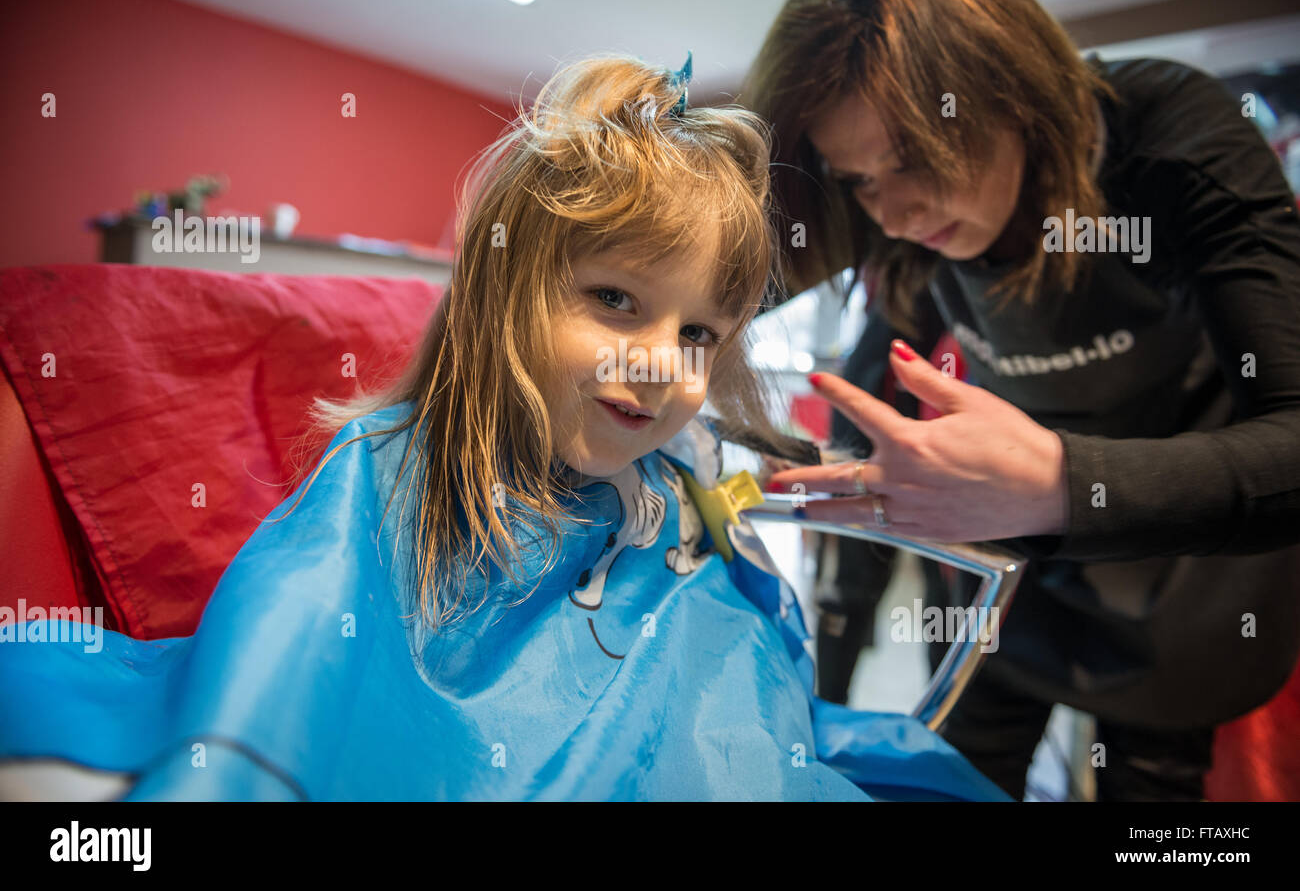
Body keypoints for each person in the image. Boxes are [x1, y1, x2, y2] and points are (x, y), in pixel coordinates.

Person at [0, 53, 1007, 801]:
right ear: (498, 294)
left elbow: (726, 647)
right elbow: (287, 666)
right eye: (614, 299)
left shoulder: (669, 480)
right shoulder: (391, 472)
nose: (663, 362)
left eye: (699, 331)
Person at [743, 0, 1300, 800]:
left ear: (1017, 89)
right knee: (956, 775)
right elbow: (713, 288)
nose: (890, 212)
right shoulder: (907, 218)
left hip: (1185, 569)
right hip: (1020, 570)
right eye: (856, 180)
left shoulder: (1173, 140)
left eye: (913, 160)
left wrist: (1063, 482)